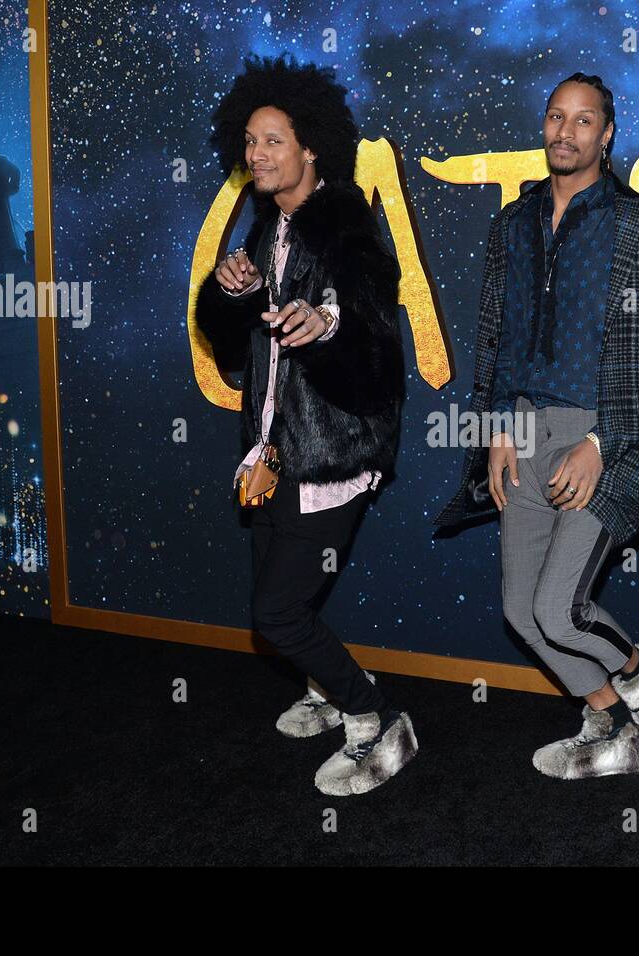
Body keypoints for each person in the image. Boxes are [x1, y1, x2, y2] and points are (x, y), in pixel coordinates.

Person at [435, 73, 639, 780]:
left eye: (584, 121)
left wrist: (604, 443)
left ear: (607, 135)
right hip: (525, 434)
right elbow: (494, 338)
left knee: (560, 607)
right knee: (520, 610)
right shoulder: (513, 224)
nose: (565, 133)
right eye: (555, 117)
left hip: (609, 439)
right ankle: (604, 719)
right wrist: (498, 429)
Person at [195, 53, 415, 796]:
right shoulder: (267, 231)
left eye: (273, 140)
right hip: (273, 455)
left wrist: (327, 328)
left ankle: (373, 718)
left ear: (311, 146)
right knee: (283, 596)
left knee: (277, 614)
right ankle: (327, 690)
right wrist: (233, 295)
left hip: (333, 455)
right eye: (250, 140)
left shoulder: (348, 232)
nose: (257, 153)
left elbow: (380, 364)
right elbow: (234, 351)